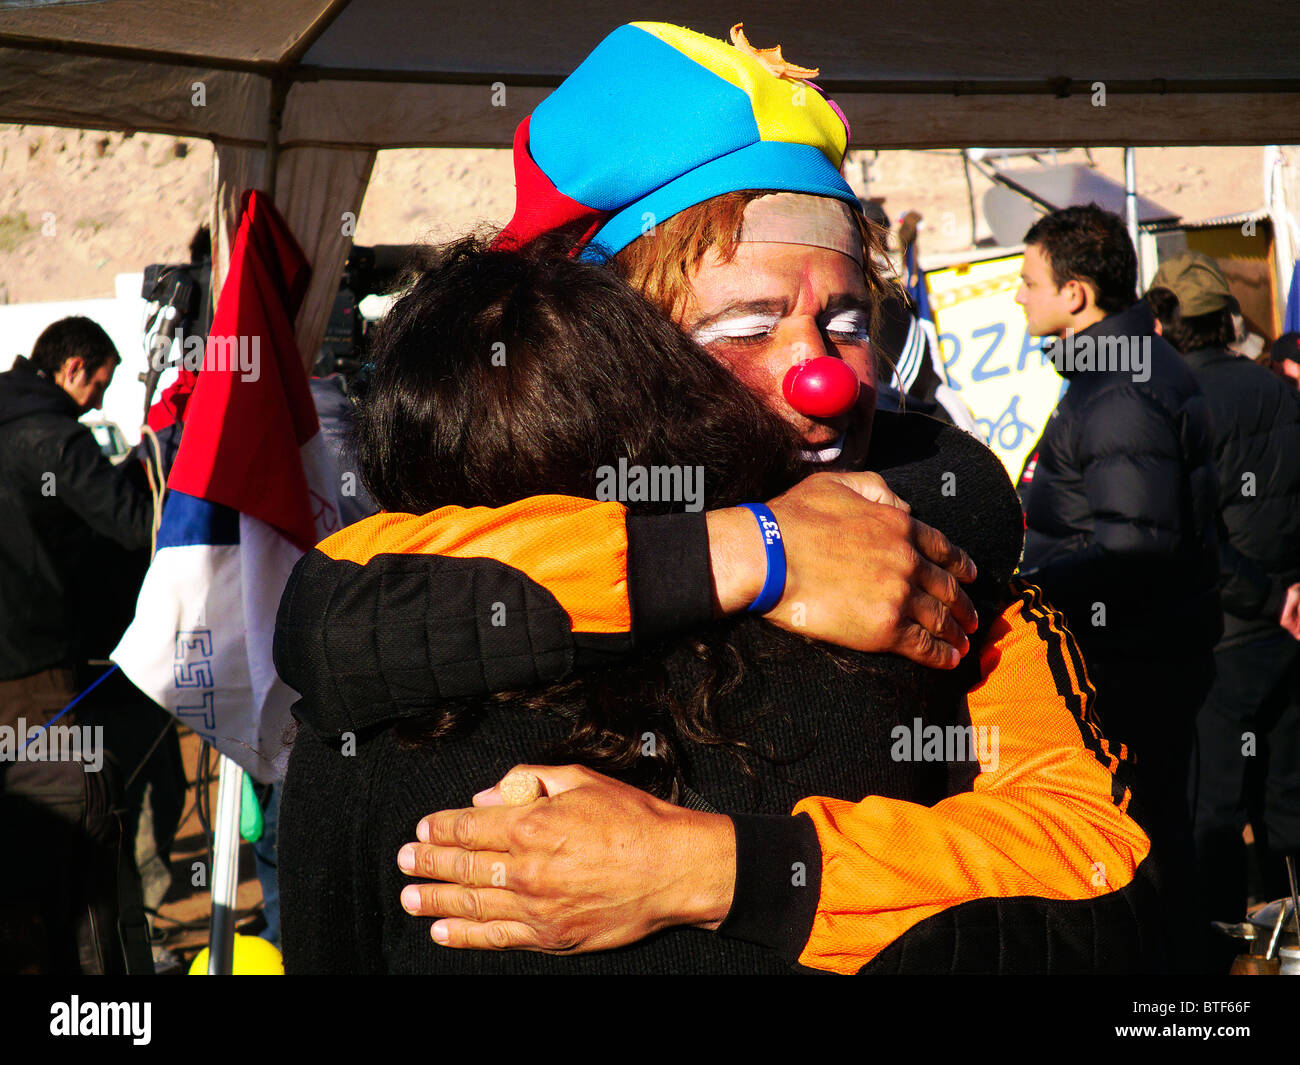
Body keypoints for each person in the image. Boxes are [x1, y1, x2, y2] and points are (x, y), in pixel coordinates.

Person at [275, 23, 1163, 972]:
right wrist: (755, 550)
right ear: (613, 353)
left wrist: (721, 866)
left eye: (848, 321)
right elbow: (334, 610)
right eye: (745, 324)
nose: (819, 377)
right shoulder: (420, 612)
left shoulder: (952, 583)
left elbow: (1105, 876)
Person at [1013, 206, 1221, 968]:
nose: (1017, 296)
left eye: (1028, 281)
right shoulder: (1121, 370)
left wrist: (1026, 589)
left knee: (1147, 850)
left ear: (1075, 295)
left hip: (1130, 663)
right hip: (1146, 653)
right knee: (1160, 842)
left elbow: (1133, 546)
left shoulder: (1118, 392)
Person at [1144, 255, 1300, 924]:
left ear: (1163, 322)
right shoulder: (1278, 390)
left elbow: (1193, 538)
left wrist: (1269, 596)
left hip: (1227, 636)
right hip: (1287, 631)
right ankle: (1289, 935)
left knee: (1214, 809)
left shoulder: (1174, 400)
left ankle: (1218, 963)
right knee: (1287, 798)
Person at [0, 316, 157, 973]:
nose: (97, 398)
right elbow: (130, 525)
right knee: (83, 860)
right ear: (71, 368)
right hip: (42, 684)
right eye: (99, 381)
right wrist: (144, 471)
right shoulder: (54, 438)